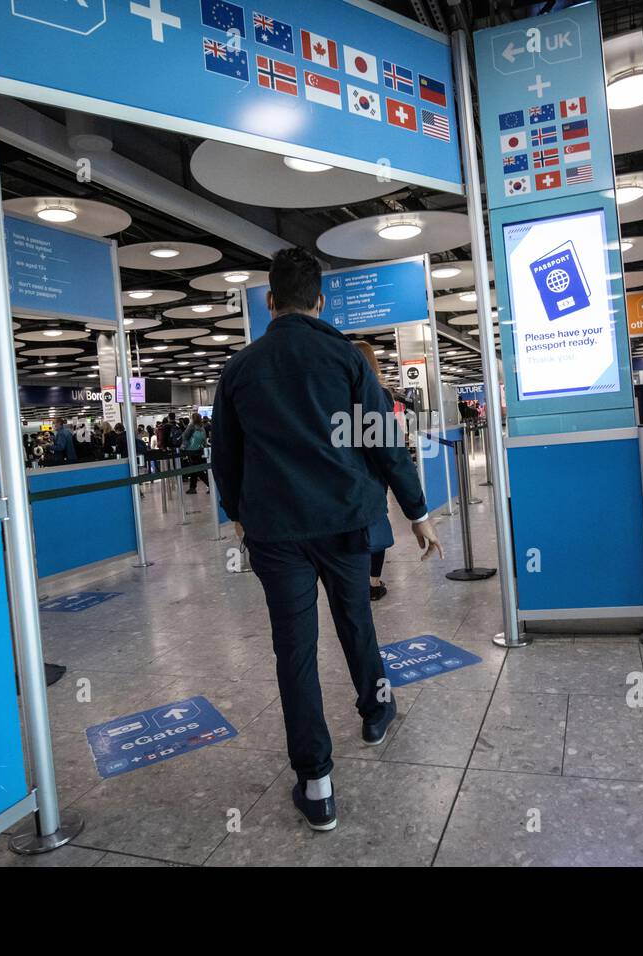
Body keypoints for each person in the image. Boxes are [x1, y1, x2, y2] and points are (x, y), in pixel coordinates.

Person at [212, 246, 443, 831]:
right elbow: (383, 439)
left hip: (276, 532)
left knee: (294, 649)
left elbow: (225, 457)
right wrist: (416, 510)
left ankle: (316, 784)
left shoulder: (240, 368)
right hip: (345, 521)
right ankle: (376, 707)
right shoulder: (345, 359)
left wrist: (238, 512)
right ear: (320, 301)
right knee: (356, 619)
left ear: (269, 302)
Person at [354, 341, 396, 601]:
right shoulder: (381, 394)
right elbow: (386, 441)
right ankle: (372, 580)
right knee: (375, 519)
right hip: (373, 471)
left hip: (345, 471)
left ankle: (357, 579)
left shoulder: (335, 394)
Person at [182, 412, 209, 494]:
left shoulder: (191, 426)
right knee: (194, 469)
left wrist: (183, 447)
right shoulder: (202, 427)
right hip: (200, 450)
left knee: (198, 470)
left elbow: (185, 436)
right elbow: (204, 439)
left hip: (191, 451)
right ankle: (192, 487)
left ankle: (210, 484)